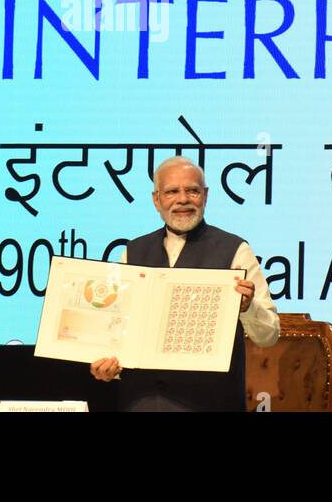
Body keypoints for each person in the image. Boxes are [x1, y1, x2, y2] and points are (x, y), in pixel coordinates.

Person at [89, 156, 279, 411]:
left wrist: (248, 307)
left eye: (192, 190)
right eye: (171, 192)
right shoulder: (133, 251)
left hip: (210, 403)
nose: (183, 199)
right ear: (156, 200)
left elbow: (269, 335)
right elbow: (119, 329)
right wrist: (107, 363)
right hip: (141, 402)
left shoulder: (236, 250)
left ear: (206, 196)